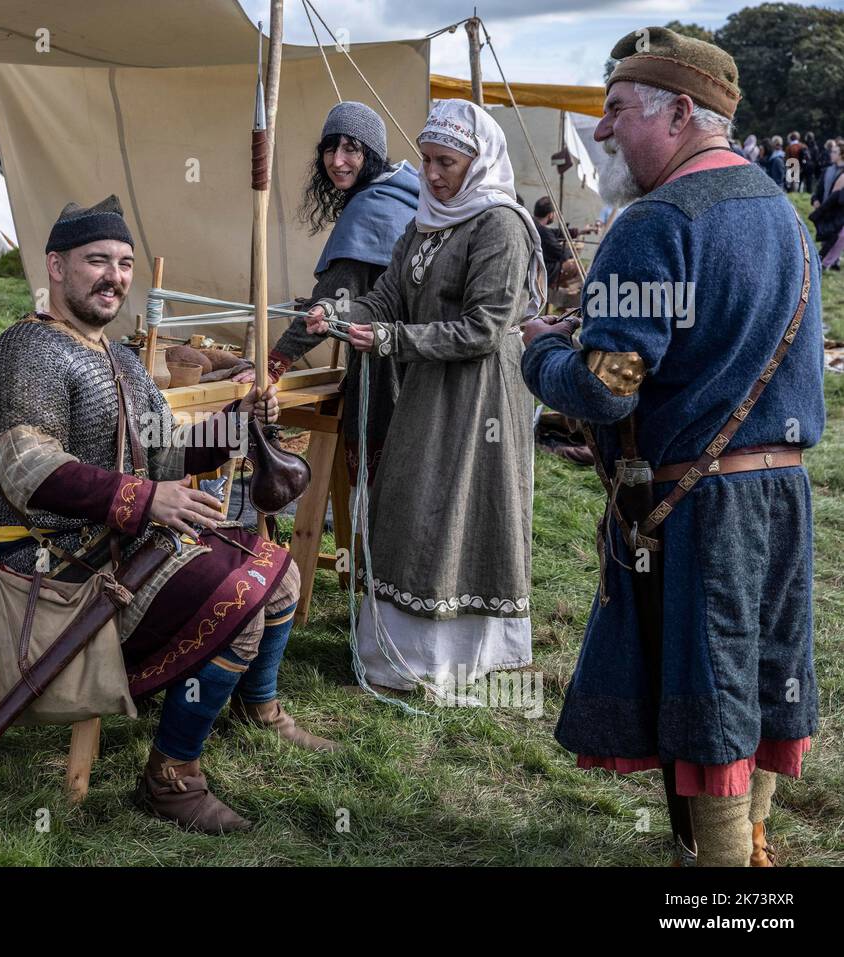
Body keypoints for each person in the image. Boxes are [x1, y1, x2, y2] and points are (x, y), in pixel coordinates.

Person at [521, 26, 822, 867]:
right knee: (765, 671)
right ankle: (752, 843)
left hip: (700, 502)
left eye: (616, 110)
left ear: (681, 112)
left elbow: (606, 384)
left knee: (712, 686)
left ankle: (722, 882)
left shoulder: (654, 220)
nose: (603, 131)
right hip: (784, 489)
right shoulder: (786, 215)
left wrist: (540, 349)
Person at [0, 196, 337, 833]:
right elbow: (29, 470)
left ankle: (260, 706)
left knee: (281, 577)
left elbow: (167, 453)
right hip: (58, 575)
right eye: (96, 261)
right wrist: (144, 501)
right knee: (241, 591)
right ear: (54, 267)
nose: (114, 276)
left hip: (124, 552)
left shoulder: (120, 360)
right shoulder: (22, 355)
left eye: (124, 263)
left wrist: (236, 427)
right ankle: (171, 778)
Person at [305, 99, 543, 699]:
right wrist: (338, 315)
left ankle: (457, 658)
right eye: (428, 161)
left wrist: (391, 339)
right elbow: (387, 298)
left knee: (459, 509)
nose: (432, 174)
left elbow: (485, 327)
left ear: (477, 161)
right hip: (425, 386)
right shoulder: (424, 222)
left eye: (446, 163)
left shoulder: (501, 226)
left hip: (479, 396)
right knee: (411, 502)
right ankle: (397, 654)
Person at [233, 101, 420, 483]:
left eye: (351, 148)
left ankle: (365, 543)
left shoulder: (371, 210)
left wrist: (271, 368)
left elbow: (334, 304)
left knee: (377, 489)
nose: (337, 161)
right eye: (330, 148)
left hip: (388, 368)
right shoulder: (405, 194)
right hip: (417, 360)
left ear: (372, 155)